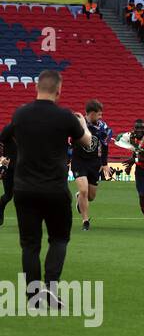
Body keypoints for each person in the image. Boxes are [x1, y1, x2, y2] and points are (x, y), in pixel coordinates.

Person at [0, 70, 91, 310]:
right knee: (59, 239)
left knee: (30, 244)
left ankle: (33, 296)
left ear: (36, 87)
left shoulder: (21, 114)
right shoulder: (64, 117)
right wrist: (82, 123)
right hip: (54, 189)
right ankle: (50, 290)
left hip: (24, 189)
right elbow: (87, 143)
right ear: (59, 90)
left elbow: (4, 135)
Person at [70, 99, 112, 231]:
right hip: (79, 162)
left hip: (94, 163)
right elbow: (70, 141)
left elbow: (105, 146)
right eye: (99, 114)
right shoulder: (78, 125)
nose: (101, 117)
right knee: (84, 190)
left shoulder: (103, 127)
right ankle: (85, 221)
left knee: (91, 196)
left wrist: (104, 164)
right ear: (91, 113)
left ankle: (80, 197)